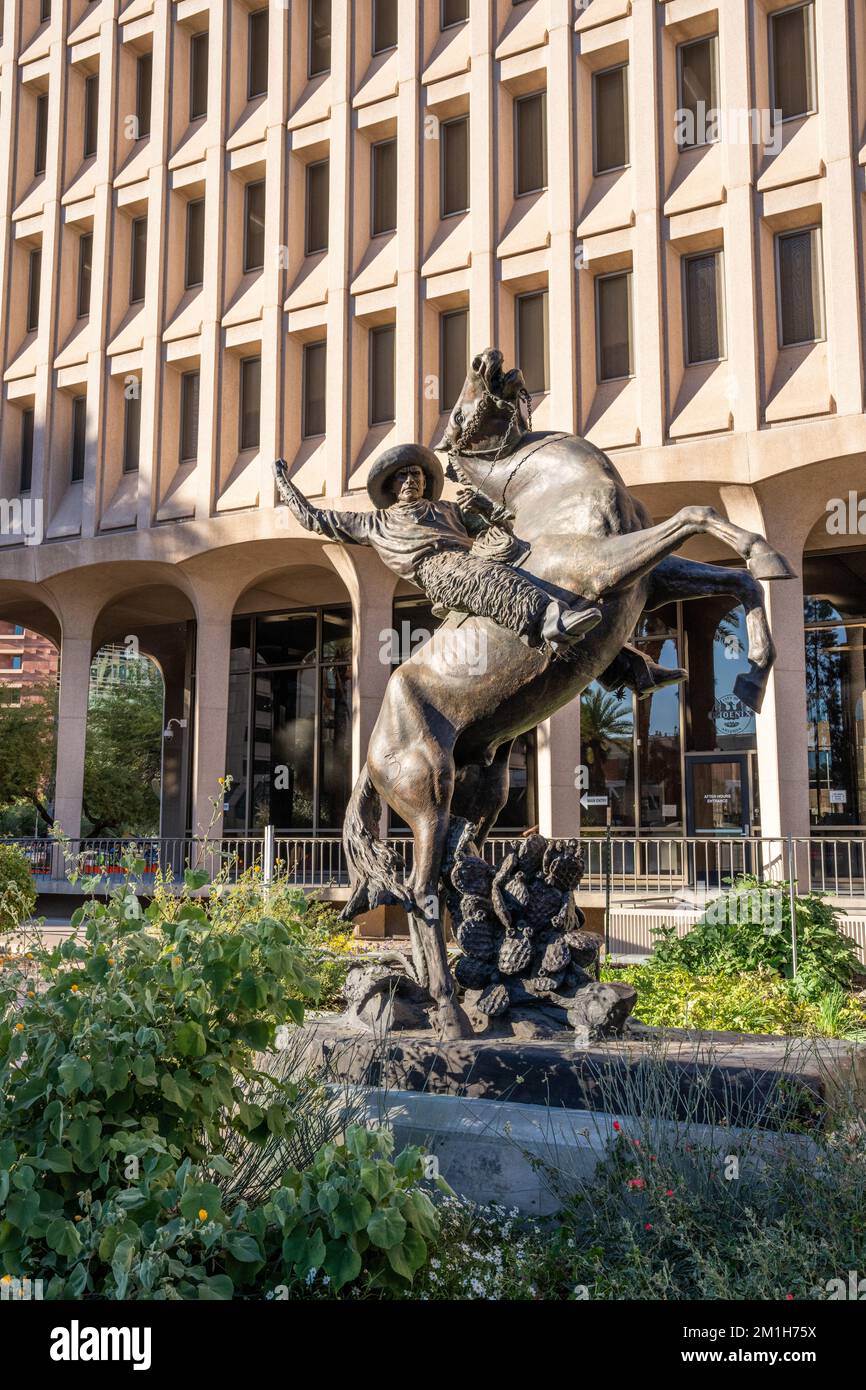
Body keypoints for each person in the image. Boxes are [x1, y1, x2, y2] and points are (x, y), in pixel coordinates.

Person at [273, 445, 604, 654]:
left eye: (415, 474)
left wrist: (484, 507)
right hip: (438, 569)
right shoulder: (373, 523)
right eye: (402, 476)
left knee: (534, 563)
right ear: (391, 485)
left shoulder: (448, 510)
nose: (410, 481)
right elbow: (314, 518)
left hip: (476, 556)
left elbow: (507, 522)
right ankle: (549, 620)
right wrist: (284, 484)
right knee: (482, 576)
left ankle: (628, 668)